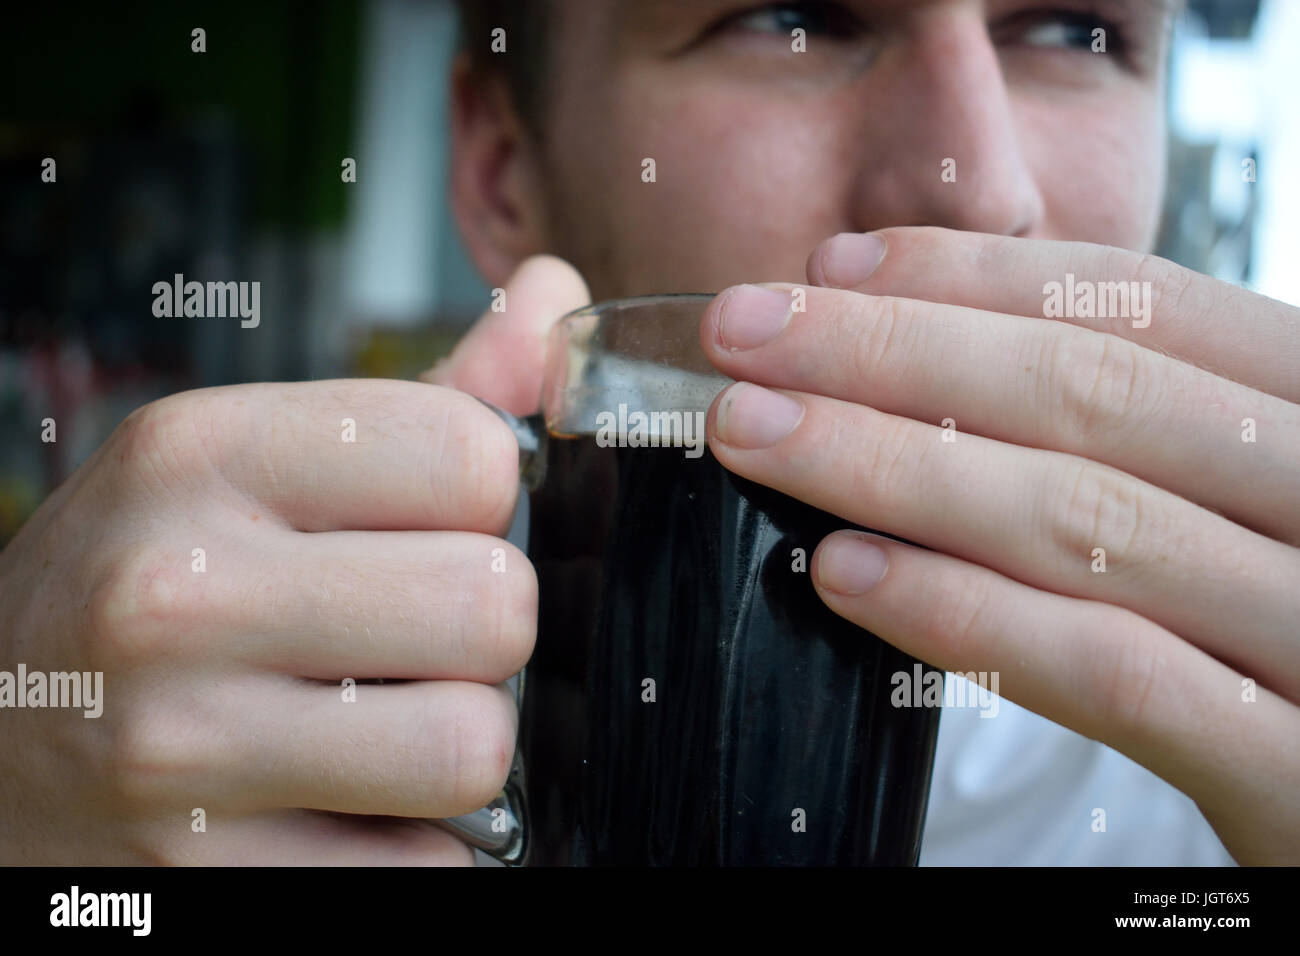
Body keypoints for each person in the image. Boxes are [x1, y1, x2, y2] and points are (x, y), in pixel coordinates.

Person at [1, 0, 1295, 865]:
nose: (985, 185)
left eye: (1077, 29)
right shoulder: (210, 741)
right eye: (791, 16)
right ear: (506, 167)